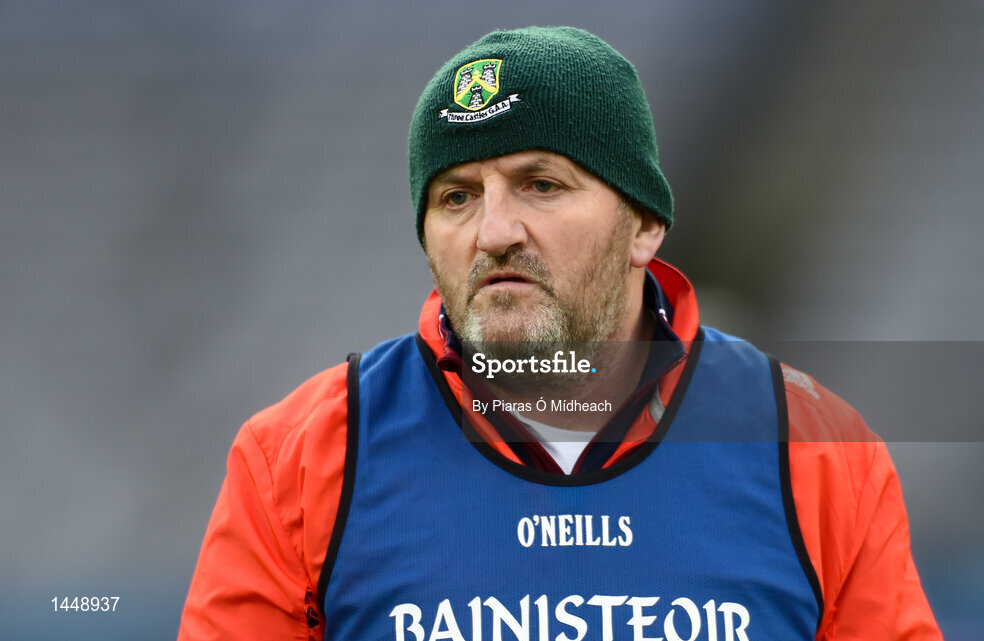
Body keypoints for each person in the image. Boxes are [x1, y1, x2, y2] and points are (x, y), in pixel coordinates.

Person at [178, 27, 943, 641]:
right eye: (456, 196)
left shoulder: (817, 453)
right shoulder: (298, 463)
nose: (494, 230)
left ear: (644, 222)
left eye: (541, 184)